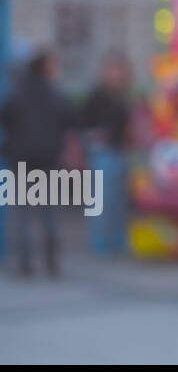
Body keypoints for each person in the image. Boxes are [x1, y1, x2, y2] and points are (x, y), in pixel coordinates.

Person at [0, 52, 76, 277]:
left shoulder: (17, 94)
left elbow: (5, 119)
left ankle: (24, 265)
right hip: (49, 161)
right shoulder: (55, 94)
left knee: (22, 214)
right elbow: (69, 121)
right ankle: (52, 263)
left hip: (20, 161)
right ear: (45, 68)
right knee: (49, 214)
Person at [80, 51, 135, 257]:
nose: (116, 74)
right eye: (113, 69)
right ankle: (101, 242)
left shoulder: (122, 95)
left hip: (120, 150)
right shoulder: (98, 95)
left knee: (117, 201)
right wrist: (94, 135)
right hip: (103, 152)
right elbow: (84, 121)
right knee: (101, 200)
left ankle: (117, 240)